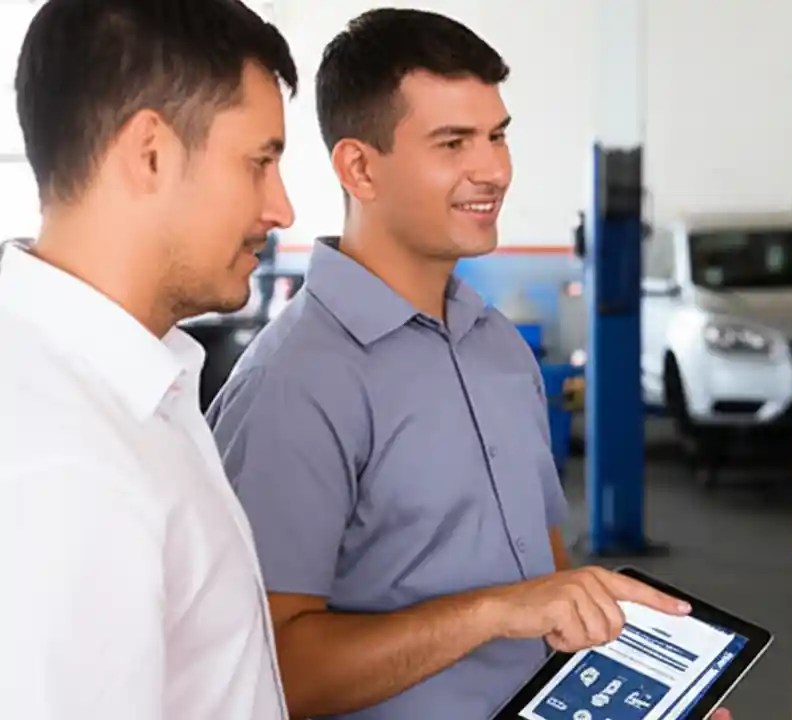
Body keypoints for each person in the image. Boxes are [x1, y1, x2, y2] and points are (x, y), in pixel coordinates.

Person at [205, 9, 709, 720]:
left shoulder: (497, 346)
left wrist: (637, 701)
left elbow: (549, 581)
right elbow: (271, 673)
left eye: (498, 135)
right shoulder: (292, 385)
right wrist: (495, 611)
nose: (494, 169)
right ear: (359, 166)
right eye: (454, 142)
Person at [0, 0, 297, 718]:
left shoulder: (122, 382)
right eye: (260, 162)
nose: (282, 208)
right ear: (151, 154)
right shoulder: (63, 464)